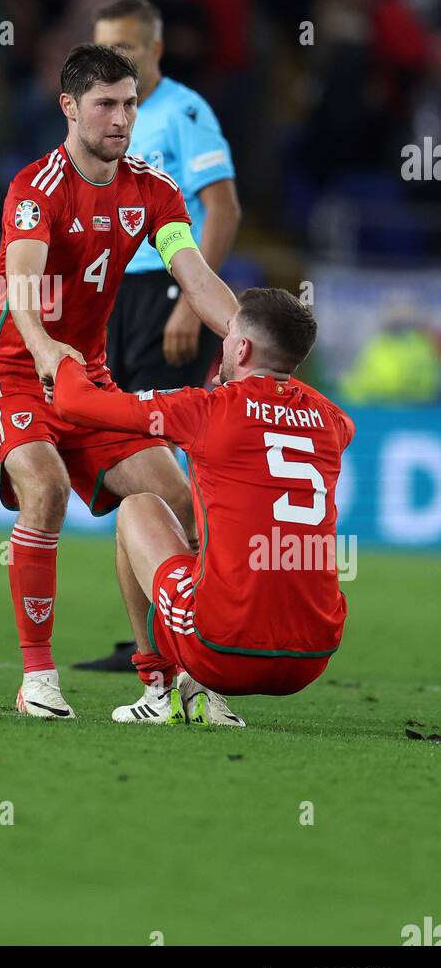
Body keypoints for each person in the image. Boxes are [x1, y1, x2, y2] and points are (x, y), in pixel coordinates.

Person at [0, 43, 239, 720]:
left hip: (87, 380)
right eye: (106, 105)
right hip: (14, 372)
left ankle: (163, 679)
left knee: (175, 499)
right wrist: (38, 346)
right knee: (47, 488)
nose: (122, 119)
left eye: (130, 104)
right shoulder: (36, 188)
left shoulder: (151, 189)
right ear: (70, 108)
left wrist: (244, 339)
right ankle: (38, 677)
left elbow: (195, 276)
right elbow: (22, 284)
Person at [51, 288, 354, 727]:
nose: (224, 344)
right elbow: (334, 420)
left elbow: (74, 404)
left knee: (138, 506)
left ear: (243, 348)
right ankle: (201, 697)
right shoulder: (331, 420)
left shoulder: (207, 409)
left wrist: (60, 357)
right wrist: (274, 377)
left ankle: (158, 689)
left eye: (229, 335)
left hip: (223, 650)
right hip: (311, 658)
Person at [78, 0, 241, 672]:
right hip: (112, 297)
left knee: (154, 462)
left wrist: (187, 303)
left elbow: (223, 209)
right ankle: (157, 627)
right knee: (129, 465)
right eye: (104, 48)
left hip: (167, 291)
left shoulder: (184, 111)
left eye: (128, 48)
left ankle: (190, 630)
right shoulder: (101, 120)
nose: (116, 59)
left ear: (156, 49)